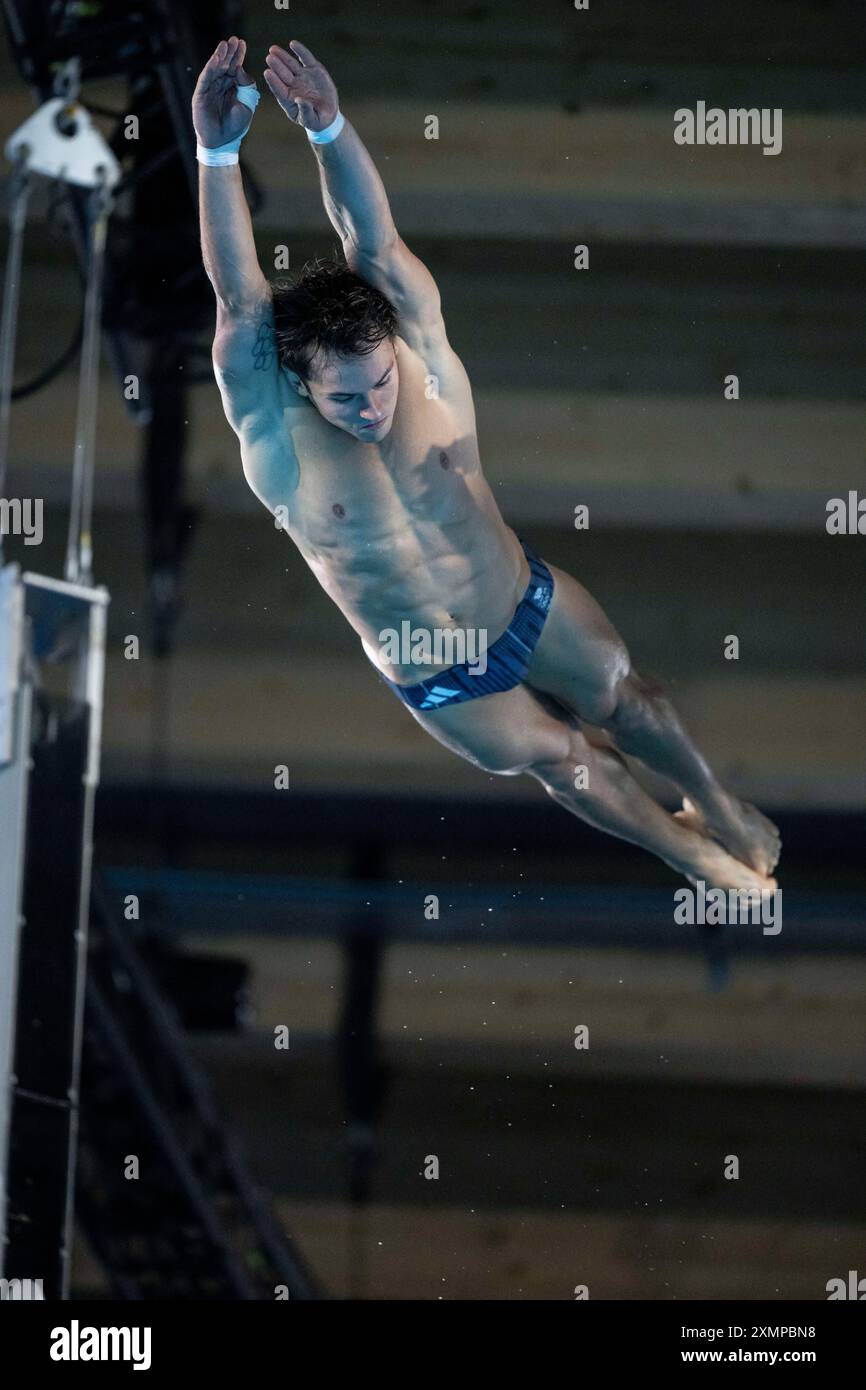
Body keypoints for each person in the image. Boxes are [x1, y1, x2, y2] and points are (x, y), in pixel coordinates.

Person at [193, 36, 780, 892]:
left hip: (519, 600)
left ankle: (714, 803)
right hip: (435, 671)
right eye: (345, 401)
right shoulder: (272, 425)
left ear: (395, 350)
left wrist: (328, 130)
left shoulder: (419, 348)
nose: (373, 408)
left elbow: (375, 240)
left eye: (379, 385)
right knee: (566, 759)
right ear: (298, 387)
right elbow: (239, 298)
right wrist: (215, 153)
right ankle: (688, 853)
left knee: (628, 699)